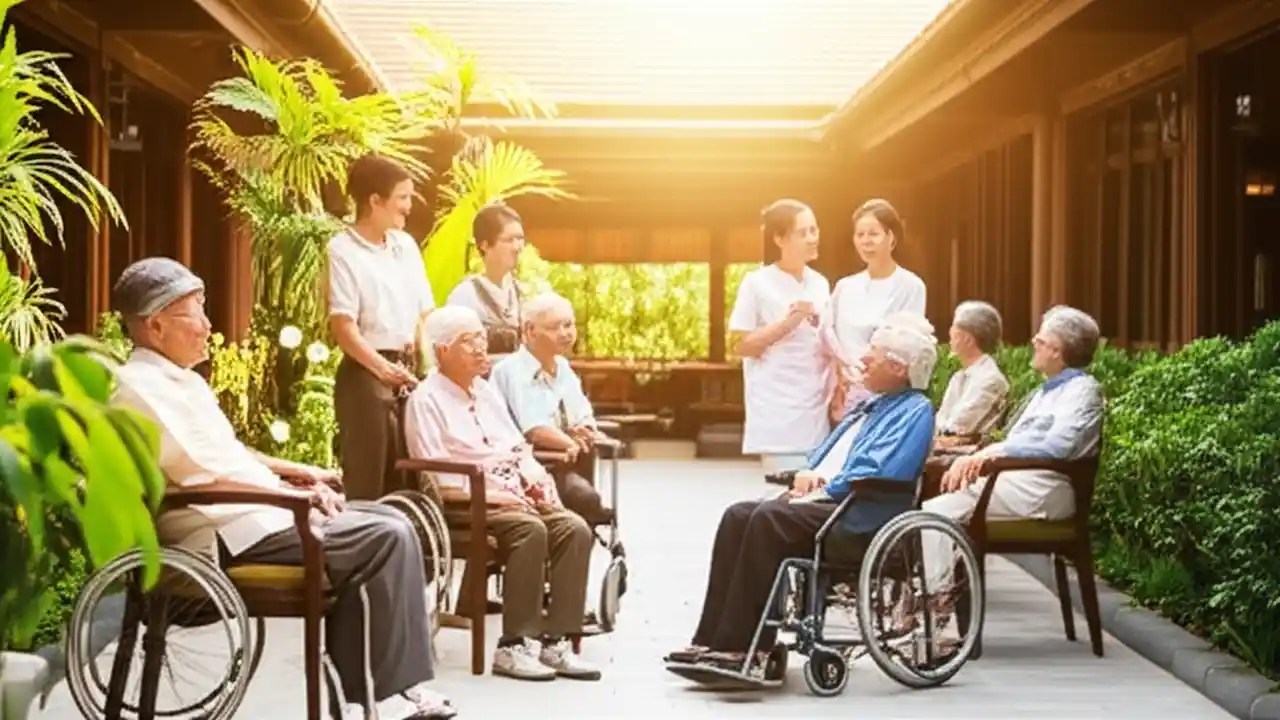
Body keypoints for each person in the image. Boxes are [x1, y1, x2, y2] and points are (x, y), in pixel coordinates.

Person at [110, 258, 453, 720]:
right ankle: (385, 695)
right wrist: (294, 498)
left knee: (388, 519)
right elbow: (200, 474)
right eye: (196, 313)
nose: (209, 326)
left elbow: (229, 454)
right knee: (384, 537)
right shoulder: (140, 387)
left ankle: (366, 695)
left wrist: (299, 472)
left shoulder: (182, 382)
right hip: (224, 531)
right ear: (154, 325)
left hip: (254, 514)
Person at [665, 313, 939, 675]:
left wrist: (828, 485)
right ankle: (712, 639)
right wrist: (805, 476)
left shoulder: (915, 411)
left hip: (859, 513)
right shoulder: (871, 406)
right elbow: (826, 457)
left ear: (897, 367)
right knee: (738, 515)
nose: (864, 360)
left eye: (873, 354)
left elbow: (881, 470)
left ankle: (742, 647)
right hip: (830, 502)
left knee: (768, 520)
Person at [402, 306, 601, 682]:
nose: (482, 347)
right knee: (531, 531)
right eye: (469, 340)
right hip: (470, 502)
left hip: (513, 493)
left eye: (482, 336)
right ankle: (514, 646)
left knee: (574, 528)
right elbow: (433, 475)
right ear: (442, 350)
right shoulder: (426, 400)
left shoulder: (485, 391)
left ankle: (555, 641)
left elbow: (516, 446)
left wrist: (536, 481)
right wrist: (493, 497)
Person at [921, 306, 1104, 592]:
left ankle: (937, 602)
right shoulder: (1048, 390)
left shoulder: (1082, 390)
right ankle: (937, 601)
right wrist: (983, 455)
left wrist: (991, 454)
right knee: (932, 508)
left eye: (1041, 341)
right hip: (1020, 484)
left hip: (1042, 491)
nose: (1034, 342)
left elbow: (1059, 445)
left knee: (935, 509)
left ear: (1058, 350)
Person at [327, 154, 435, 501]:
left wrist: (428, 371)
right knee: (368, 479)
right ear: (374, 200)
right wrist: (382, 369)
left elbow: (424, 316)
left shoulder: (406, 247)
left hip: (409, 371)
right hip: (365, 374)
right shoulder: (342, 249)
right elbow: (344, 327)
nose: (408, 206)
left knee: (409, 478)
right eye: (402, 197)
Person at [729, 198, 832, 478]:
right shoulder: (757, 283)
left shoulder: (820, 283)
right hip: (777, 407)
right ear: (779, 238)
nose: (812, 238)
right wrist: (788, 323)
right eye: (803, 232)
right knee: (785, 494)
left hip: (816, 405)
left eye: (814, 230)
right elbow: (740, 344)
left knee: (815, 492)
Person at [489, 292, 611, 525]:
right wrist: (569, 441)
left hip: (569, 461)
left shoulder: (562, 367)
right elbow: (535, 430)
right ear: (530, 330)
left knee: (587, 502)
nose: (565, 333)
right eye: (555, 327)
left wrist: (583, 428)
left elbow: (583, 414)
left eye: (569, 325)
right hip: (531, 466)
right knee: (586, 501)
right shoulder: (511, 370)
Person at [821, 198, 927, 421]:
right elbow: (828, 334)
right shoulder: (844, 286)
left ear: (891, 238)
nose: (866, 241)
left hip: (883, 397)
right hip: (843, 394)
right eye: (860, 235)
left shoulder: (911, 286)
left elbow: (906, 348)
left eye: (873, 234)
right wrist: (838, 378)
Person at [446, 201, 526, 358]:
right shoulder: (466, 295)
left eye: (520, 238)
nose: (517, 247)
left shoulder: (521, 294)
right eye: (509, 240)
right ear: (485, 245)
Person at [934, 300, 1010, 447]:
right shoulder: (958, 377)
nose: (949, 333)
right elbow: (939, 424)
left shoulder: (990, 380)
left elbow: (958, 426)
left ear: (967, 339)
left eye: (954, 328)